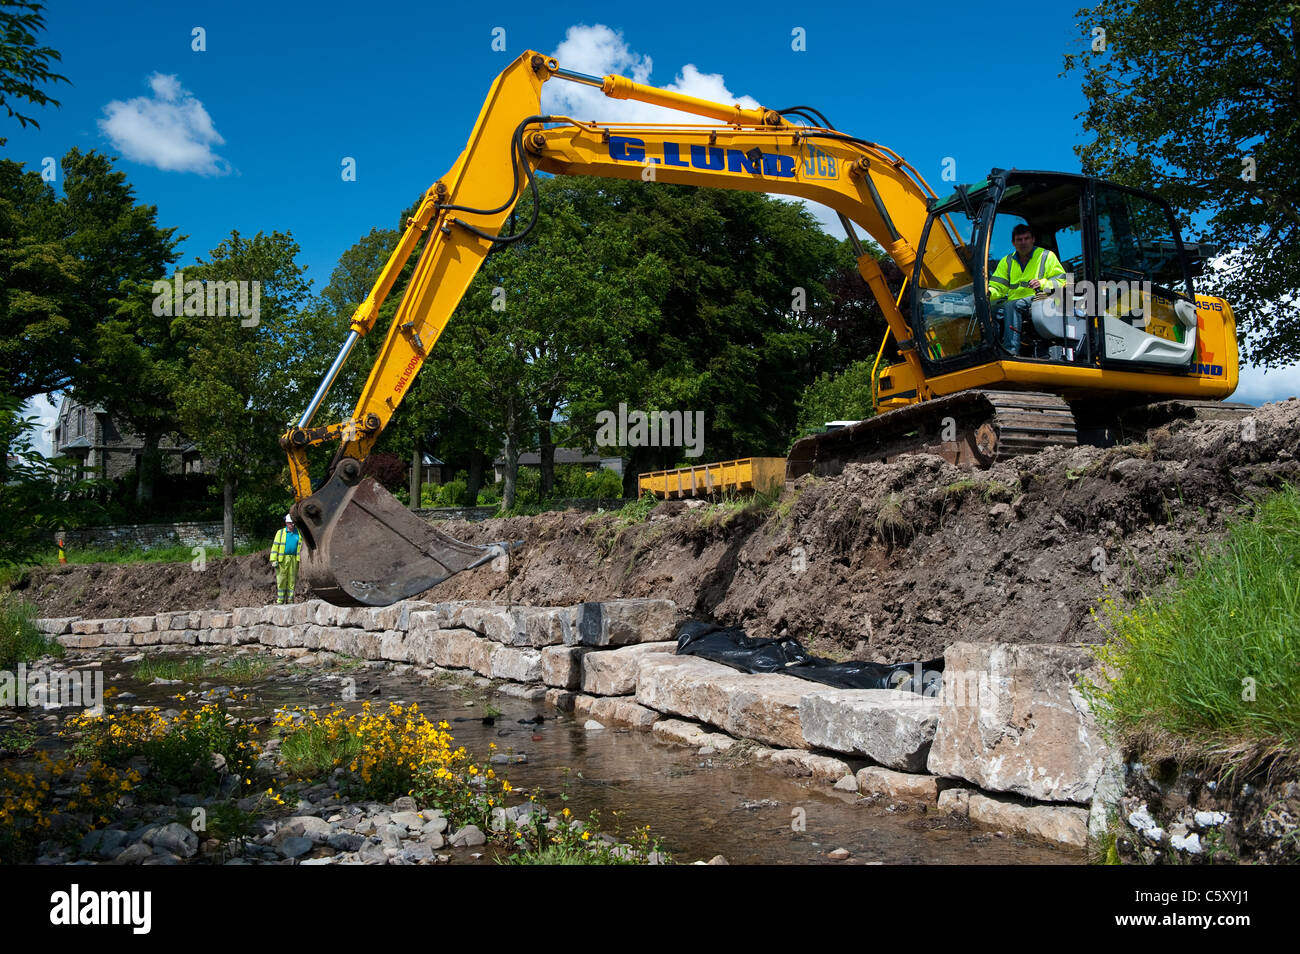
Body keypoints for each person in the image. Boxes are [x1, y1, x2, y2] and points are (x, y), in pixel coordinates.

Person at [988, 224, 1068, 354]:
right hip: (1014, 301)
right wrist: (989, 293)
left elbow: (1062, 281)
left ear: (1033, 239)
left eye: (1027, 238)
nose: (1023, 242)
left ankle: (1011, 350)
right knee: (991, 310)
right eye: (1019, 240)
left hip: (1040, 299)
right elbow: (998, 286)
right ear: (1013, 243)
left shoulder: (1046, 256)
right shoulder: (1006, 261)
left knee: (1012, 306)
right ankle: (994, 349)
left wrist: (1042, 283)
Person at [270, 514, 303, 605]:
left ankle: (290, 600)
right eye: (290, 523)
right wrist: (273, 560)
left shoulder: (299, 533)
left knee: (292, 580)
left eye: (293, 523)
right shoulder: (280, 533)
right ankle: (280, 600)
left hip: (293, 559)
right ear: (286, 523)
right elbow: (275, 547)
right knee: (281, 580)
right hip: (282, 560)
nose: (292, 525)